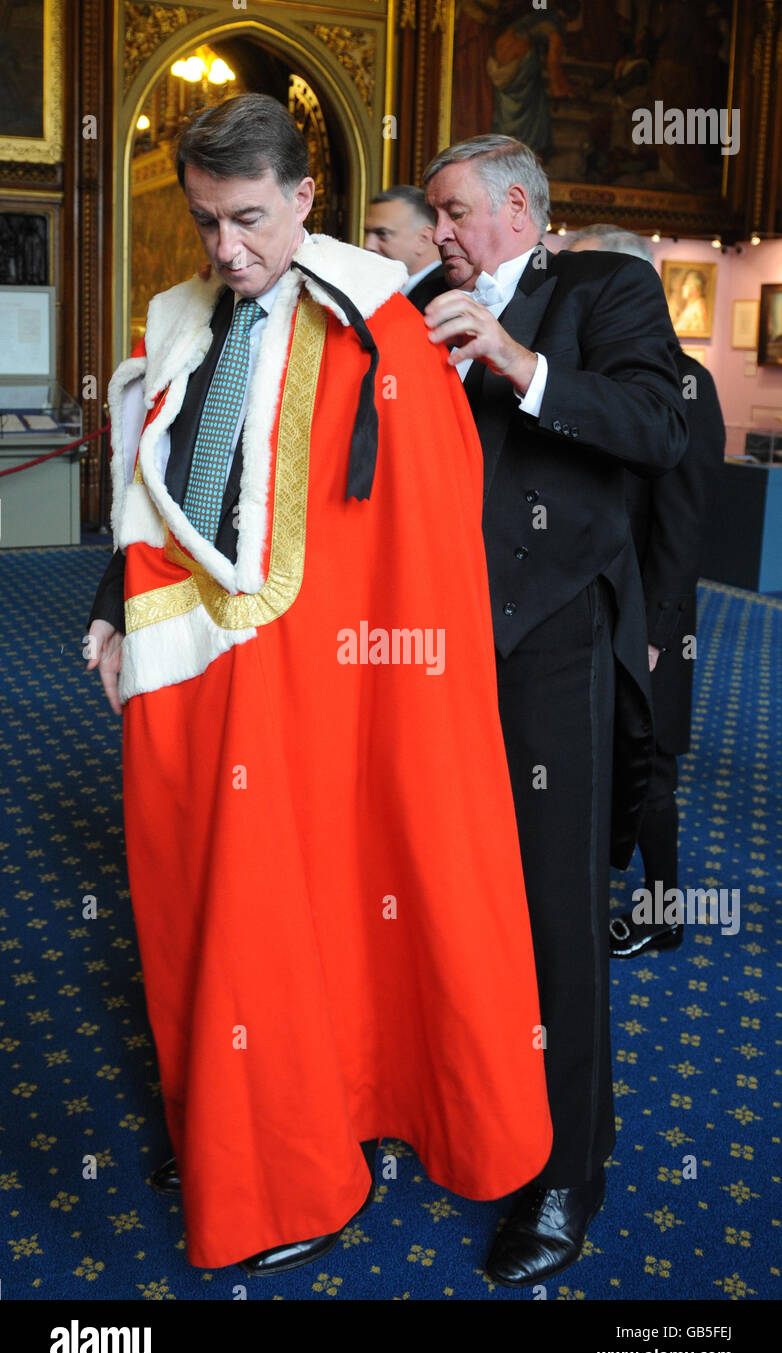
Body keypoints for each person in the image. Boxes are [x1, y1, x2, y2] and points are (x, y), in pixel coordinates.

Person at [85, 95, 552, 1277]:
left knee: (296, 919)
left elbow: (418, 547)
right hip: (189, 670)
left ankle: (297, 1166)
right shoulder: (187, 315)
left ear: (303, 199)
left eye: (247, 219)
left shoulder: (384, 335)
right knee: (194, 911)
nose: (224, 250)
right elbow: (165, 476)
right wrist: (109, 608)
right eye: (203, 223)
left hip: (319, 695)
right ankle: (232, 1132)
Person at [423, 134, 688, 1288]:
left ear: (516, 208)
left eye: (450, 213)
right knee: (439, 899)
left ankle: (569, 1168)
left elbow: (655, 427)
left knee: (555, 919)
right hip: (425, 657)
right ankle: (462, 1105)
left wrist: (517, 361)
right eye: (429, 217)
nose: (437, 235)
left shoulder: (599, 288)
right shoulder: (421, 305)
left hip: (552, 648)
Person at [568, 225, 726, 958]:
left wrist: (657, 633)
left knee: (650, 768)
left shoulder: (687, 381)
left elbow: (683, 525)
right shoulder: (593, 369)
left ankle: (664, 912)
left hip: (652, 615)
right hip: (595, 602)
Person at [363, 185, 447, 311]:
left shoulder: (444, 296)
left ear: (423, 238)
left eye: (382, 234)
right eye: (367, 233)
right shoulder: (381, 291)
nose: (368, 245)